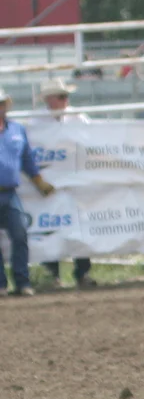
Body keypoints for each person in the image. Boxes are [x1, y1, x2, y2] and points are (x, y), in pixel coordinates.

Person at [36, 78, 92, 291]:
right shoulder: (36, 121)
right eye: (60, 96)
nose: (64, 100)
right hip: (50, 183)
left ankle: (83, 272)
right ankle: (52, 275)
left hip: (75, 181)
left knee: (79, 226)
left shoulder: (79, 118)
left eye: (65, 96)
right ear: (49, 99)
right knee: (50, 225)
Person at [0, 87, 55, 297]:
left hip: (10, 193)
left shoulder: (17, 129)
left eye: (1, 104)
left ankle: (22, 282)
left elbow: (27, 160)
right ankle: (1, 285)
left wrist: (39, 182)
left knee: (20, 235)